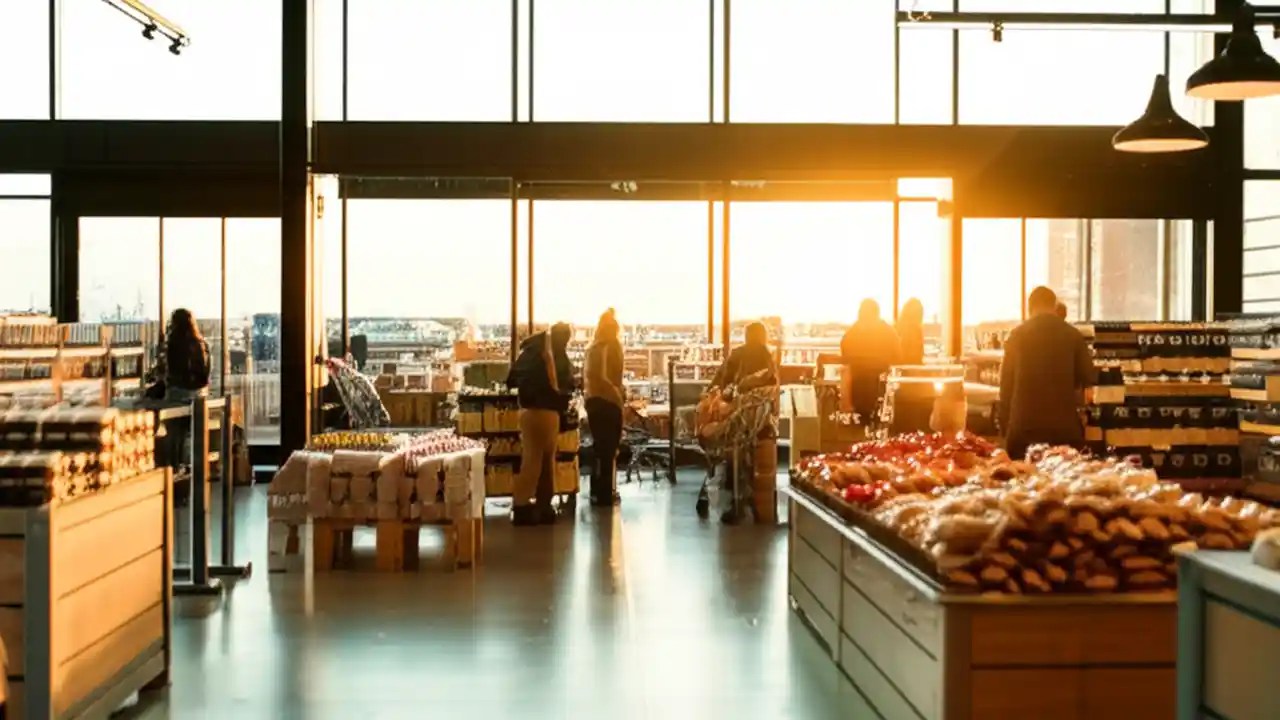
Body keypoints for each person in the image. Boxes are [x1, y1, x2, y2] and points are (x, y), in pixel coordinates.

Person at [1000, 287, 1095, 461]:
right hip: (1063, 431)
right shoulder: (1073, 335)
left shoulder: (1016, 336)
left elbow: (1006, 388)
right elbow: (1088, 387)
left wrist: (1007, 428)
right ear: (1054, 306)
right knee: (1064, 482)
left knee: (1022, 483)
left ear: (1030, 309)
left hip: (1023, 430)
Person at [507, 323, 574, 526]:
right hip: (548, 413)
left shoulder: (529, 352)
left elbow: (510, 380)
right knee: (544, 463)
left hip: (527, 413)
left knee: (532, 460)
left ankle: (526, 506)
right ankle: (533, 507)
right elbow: (566, 386)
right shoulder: (557, 355)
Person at [584, 309, 625, 508]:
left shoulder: (592, 348)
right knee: (609, 449)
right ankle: (606, 494)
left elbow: (592, 377)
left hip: (593, 402)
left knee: (600, 448)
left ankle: (598, 491)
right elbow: (605, 376)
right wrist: (617, 395)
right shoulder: (609, 347)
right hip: (609, 402)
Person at [840, 299, 900, 422]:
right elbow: (898, 359)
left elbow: (845, 362)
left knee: (862, 423)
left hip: (858, 390)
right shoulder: (888, 333)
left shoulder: (851, 334)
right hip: (882, 389)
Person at [163, 308, 211, 402]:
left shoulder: (175, 343)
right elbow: (206, 371)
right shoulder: (201, 344)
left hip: (180, 392)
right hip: (200, 392)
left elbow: (173, 371)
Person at [712, 322, 776, 389]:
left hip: (737, 394)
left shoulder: (737, 353)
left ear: (747, 336)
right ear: (764, 336)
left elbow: (724, 378)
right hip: (762, 396)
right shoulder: (768, 355)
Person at [896, 298, 926, 366]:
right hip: (912, 368)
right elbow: (916, 354)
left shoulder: (898, 327)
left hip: (902, 368)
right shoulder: (915, 329)